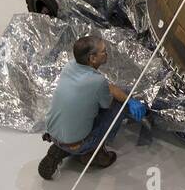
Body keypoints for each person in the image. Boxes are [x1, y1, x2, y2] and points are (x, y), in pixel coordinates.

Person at [38, 35, 147, 180]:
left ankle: (60, 149)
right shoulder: (97, 81)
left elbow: (103, 87)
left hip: (53, 134)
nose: (107, 53)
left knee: (88, 105)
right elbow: (107, 102)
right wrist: (130, 101)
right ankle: (92, 152)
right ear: (92, 58)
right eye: (104, 51)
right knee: (119, 104)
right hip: (77, 144)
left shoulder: (69, 66)